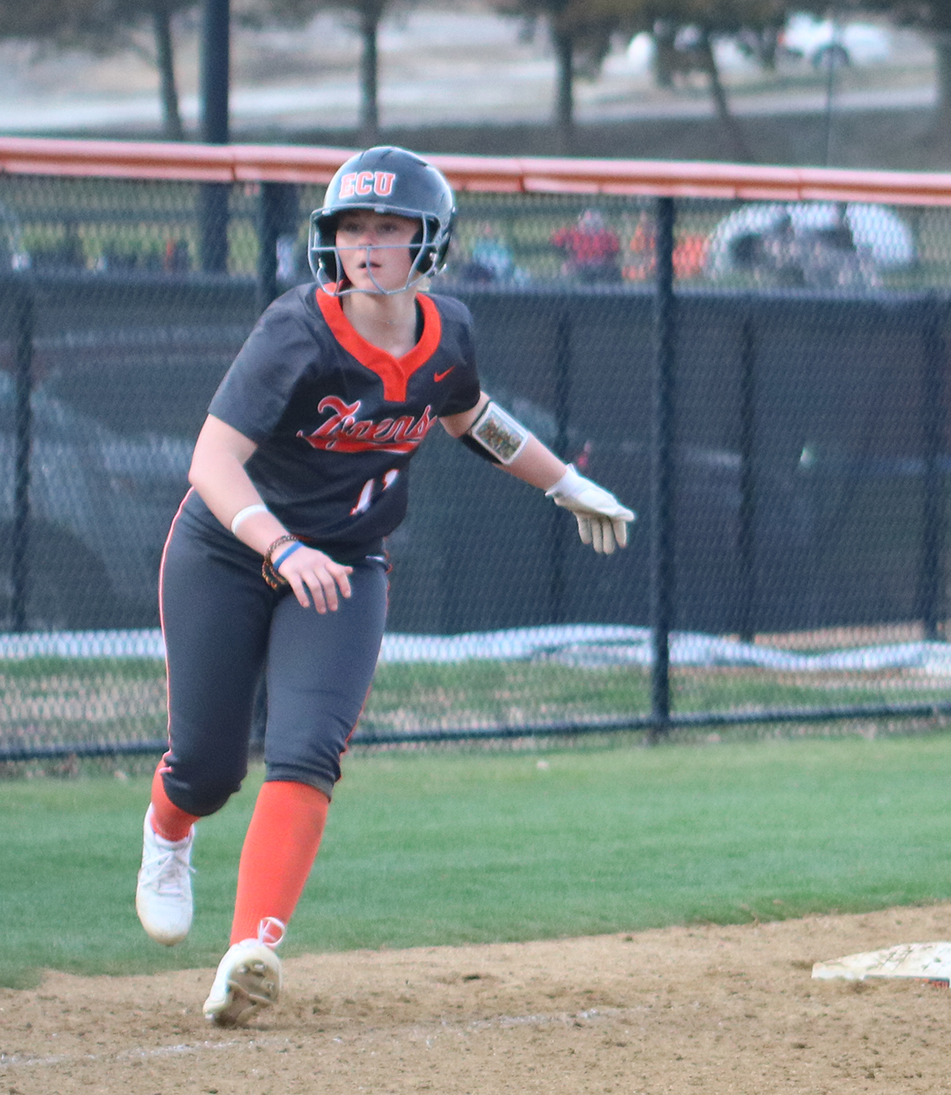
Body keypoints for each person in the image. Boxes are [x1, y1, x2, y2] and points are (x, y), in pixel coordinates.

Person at [132, 145, 637, 1029]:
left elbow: (471, 417)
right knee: (209, 767)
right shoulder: (298, 329)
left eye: (388, 226)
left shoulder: (448, 332)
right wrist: (282, 546)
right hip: (230, 549)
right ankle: (169, 832)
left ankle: (250, 950)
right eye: (352, 227)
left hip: (346, 563)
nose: (366, 244)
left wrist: (564, 482)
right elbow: (211, 461)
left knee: (306, 752)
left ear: (428, 240)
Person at [549, 208, 622, 283]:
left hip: (601, 264)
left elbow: (613, 254)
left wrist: (603, 261)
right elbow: (556, 241)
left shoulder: (608, 235)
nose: (591, 227)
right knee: (566, 267)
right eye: (587, 224)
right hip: (579, 264)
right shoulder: (574, 233)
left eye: (595, 224)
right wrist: (570, 256)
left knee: (613, 270)